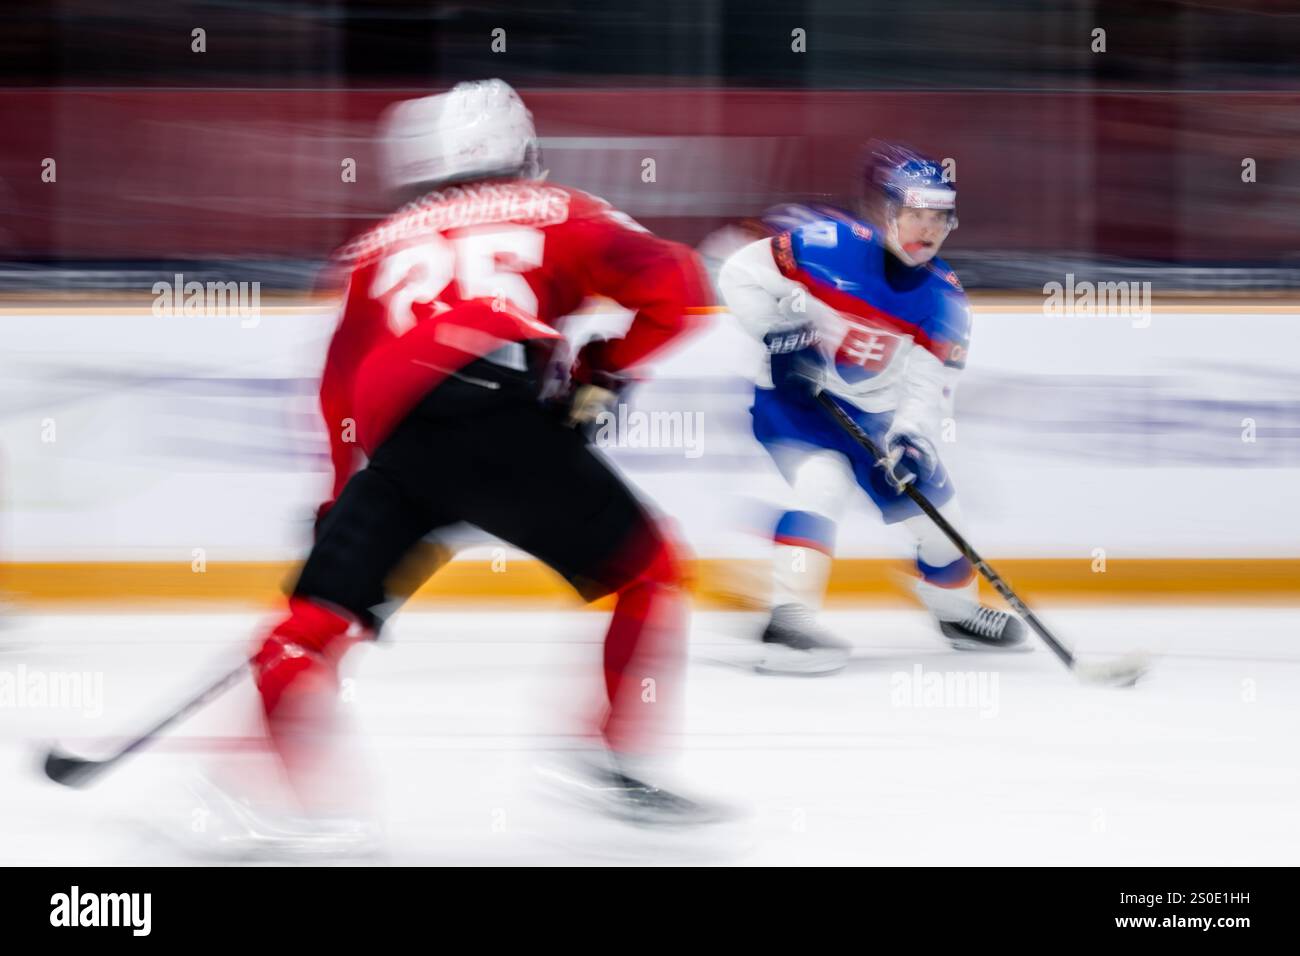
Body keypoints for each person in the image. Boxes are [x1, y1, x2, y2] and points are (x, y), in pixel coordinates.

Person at [245, 79, 716, 843]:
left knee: (305, 628)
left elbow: (336, 393)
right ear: (522, 151)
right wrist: (607, 369)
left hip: (402, 444)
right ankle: (611, 759)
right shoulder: (561, 209)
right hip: (505, 425)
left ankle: (284, 810)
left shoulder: (374, 247)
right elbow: (680, 287)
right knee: (651, 573)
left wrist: (339, 502)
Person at [717, 143, 1025, 675]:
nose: (926, 230)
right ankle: (790, 619)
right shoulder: (824, 245)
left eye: (938, 219)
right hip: (799, 403)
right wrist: (779, 334)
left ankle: (954, 614)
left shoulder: (945, 300)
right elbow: (740, 272)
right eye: (915, 215)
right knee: (821, 483)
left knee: (940, 521)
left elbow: (929, 388)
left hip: (878, 421)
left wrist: (912, 438)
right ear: (887, 213)